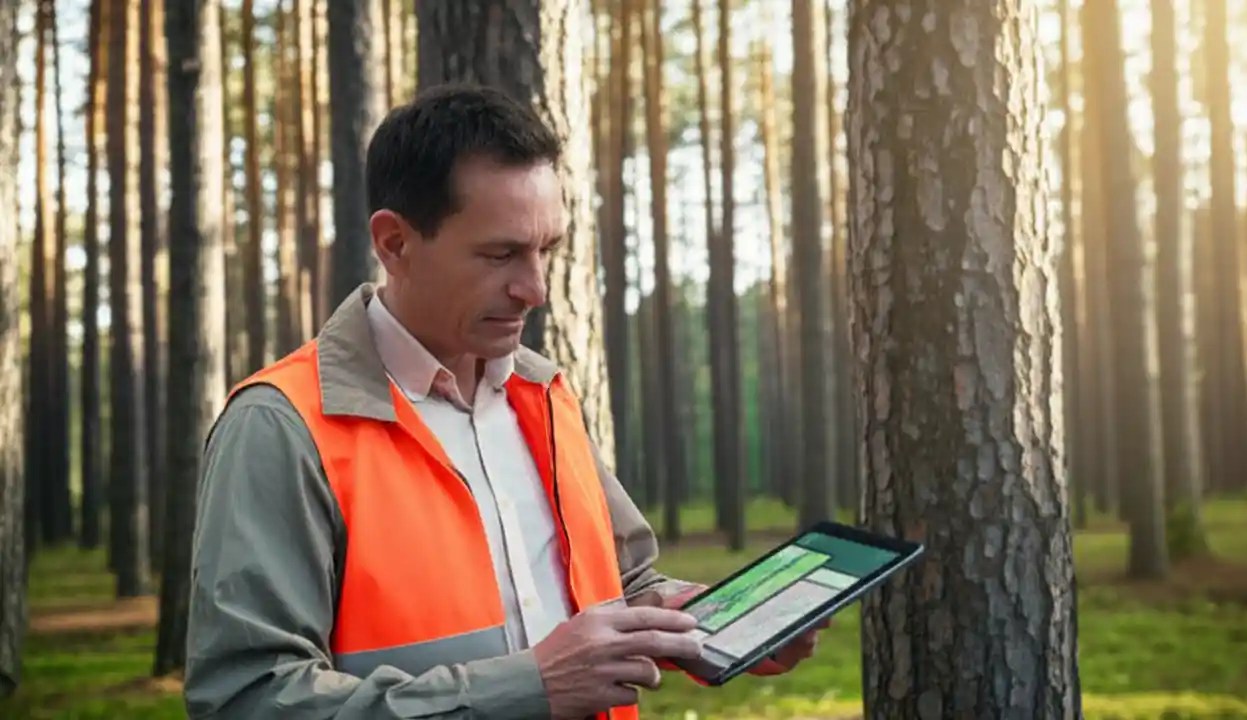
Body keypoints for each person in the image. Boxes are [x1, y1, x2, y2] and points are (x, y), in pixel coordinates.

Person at [183, 83, 824, 720]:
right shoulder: (281, 428)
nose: (535, 289)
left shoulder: (542, 395)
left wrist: (705, 622)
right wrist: (528, 686)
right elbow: (248, 699)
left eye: (546, 250)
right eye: (501, 254)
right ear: (394, 243)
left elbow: (620, 584)